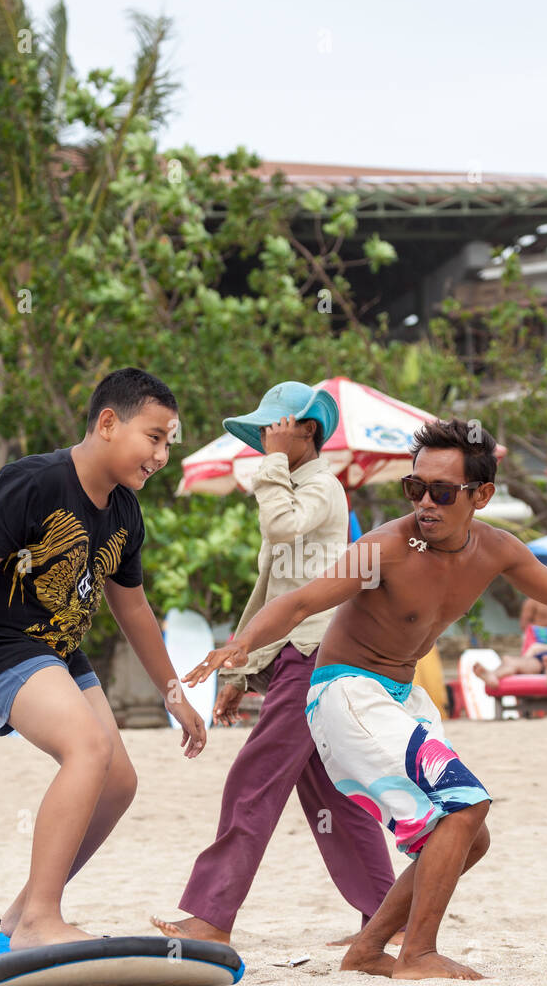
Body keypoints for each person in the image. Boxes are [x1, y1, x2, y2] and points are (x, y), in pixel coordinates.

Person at [183, 417, 547, 982]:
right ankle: (417, 955)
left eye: (442, 492)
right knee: (465, 803)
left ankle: (370, 949)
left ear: (481, 495)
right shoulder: (387, 549)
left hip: (401, 697)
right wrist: (242, 645)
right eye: (415, 488)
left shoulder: (496, 550)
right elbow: (304, 601)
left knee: (470, 834)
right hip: (346, 691)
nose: (425, 502)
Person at [0, 368, 206, 950]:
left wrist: (174, 693)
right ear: (108, 423)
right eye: (155, 437)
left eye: (169, 442)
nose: (163, 455)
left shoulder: (125, 515)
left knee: (118, 781)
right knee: (86, 749)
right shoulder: (33, 483)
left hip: (57, 648)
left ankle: (22, 912)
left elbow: (133, 610)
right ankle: (42, 916)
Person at [151, 381, 396, 947]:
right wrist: (238, 674)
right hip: (298, 655)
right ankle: (389, 917)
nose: (264, 438)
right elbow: (269, 592)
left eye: (273, 428)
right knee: (335, 795)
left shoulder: (323, 487)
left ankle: (212, 916)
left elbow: (280, 525)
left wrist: (272, 469)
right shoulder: (290, 484)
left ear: (306, 430)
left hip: (316, 655)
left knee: (252, 781)